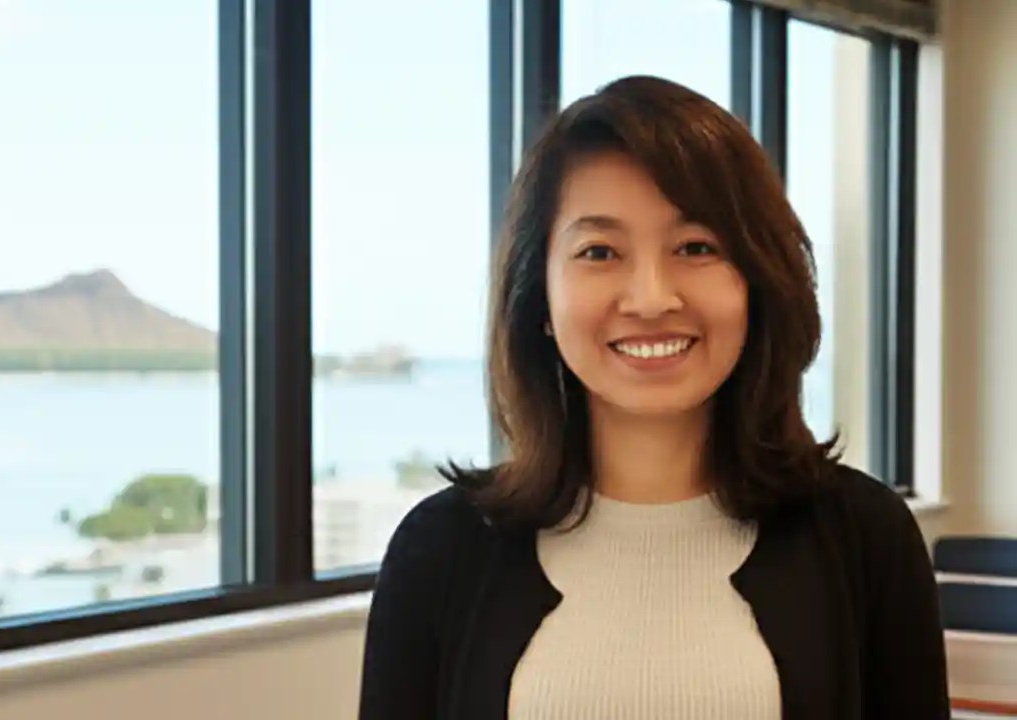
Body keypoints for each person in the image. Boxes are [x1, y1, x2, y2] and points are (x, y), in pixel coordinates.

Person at [358, 76, 948, 720]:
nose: (651, 298)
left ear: (756, 282)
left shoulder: (866, 537)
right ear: (541, 300)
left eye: (696, 247)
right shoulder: (441, 548)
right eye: (599, 251)